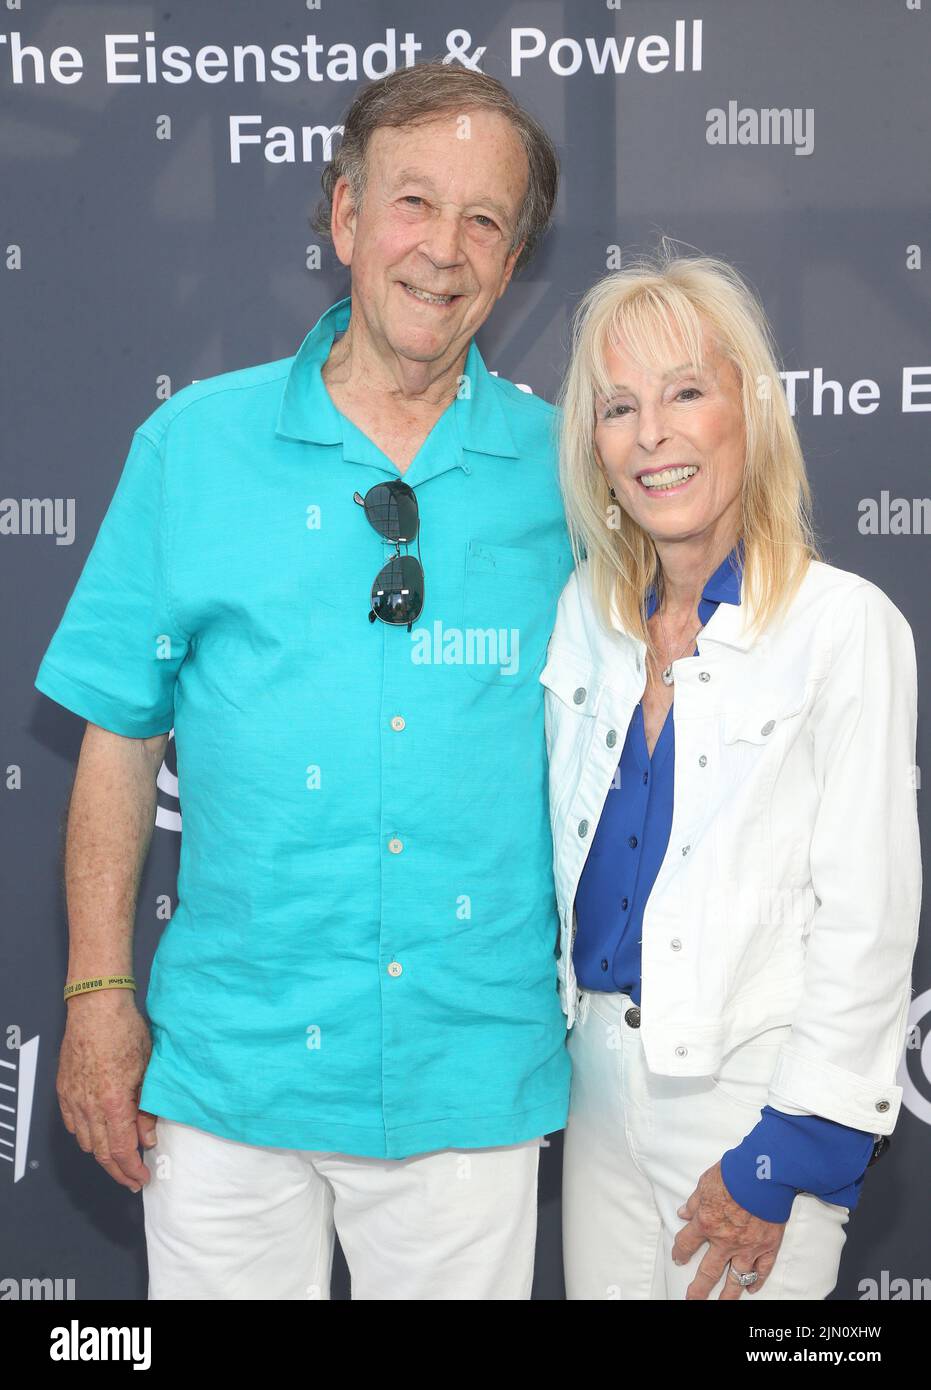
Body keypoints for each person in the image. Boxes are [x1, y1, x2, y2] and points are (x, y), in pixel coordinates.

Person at [35, 61, 573, 1301]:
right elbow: (119, 735)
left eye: (484, 220)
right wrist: (100, 991)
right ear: (341, 216)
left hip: (467, 1072)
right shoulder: (190, 447)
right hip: (230, 1073)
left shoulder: (572, 472)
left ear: (515, 257)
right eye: (412, 203)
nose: (442, 250)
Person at [543, 247, 922, 1300]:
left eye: (684, 393)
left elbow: (869, 917)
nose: (651, 433)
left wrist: (786, 1153)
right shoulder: (587, 613)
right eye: (618, 407)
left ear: (747, 413)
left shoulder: (841, 625)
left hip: (753, 1103)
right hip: (597, 1089)